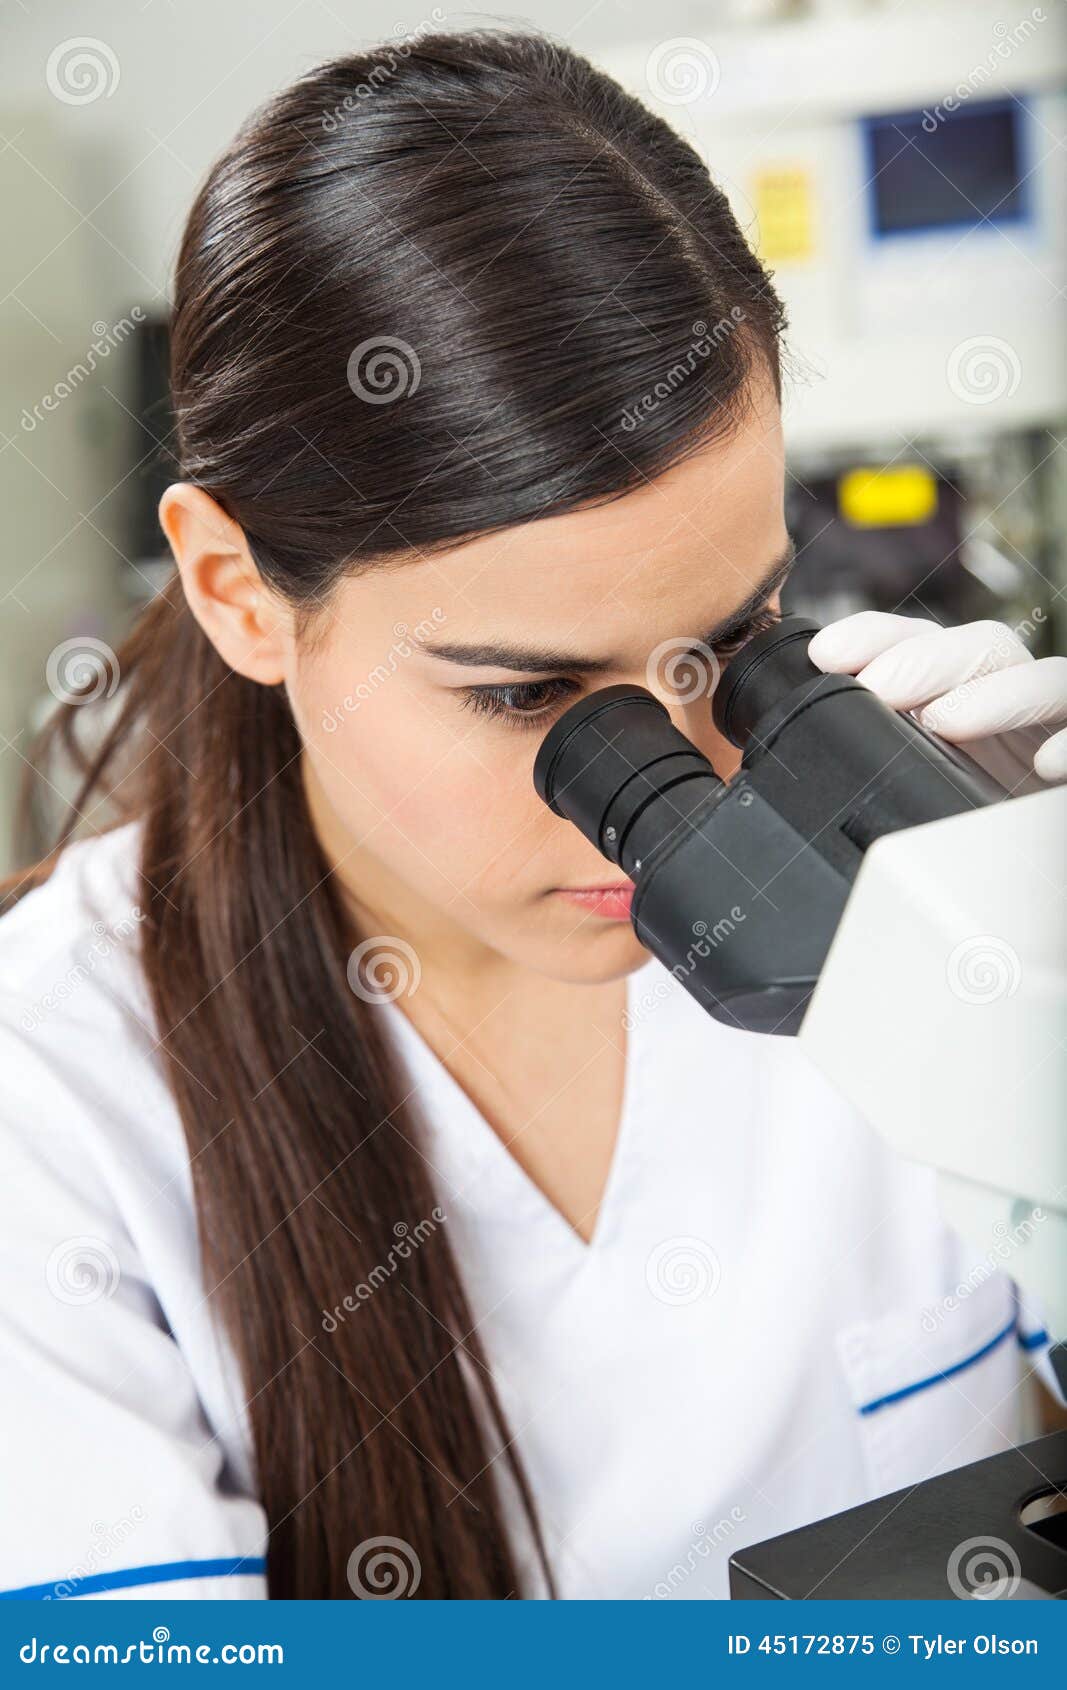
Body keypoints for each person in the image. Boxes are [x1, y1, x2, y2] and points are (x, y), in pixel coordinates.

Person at [1, 30, 1064, 1602]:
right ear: (237, 592)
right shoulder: (55, 1093)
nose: (662, 790)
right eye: (519, 693)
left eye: (737, 637)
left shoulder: (905, 898)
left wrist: (1033, 970)